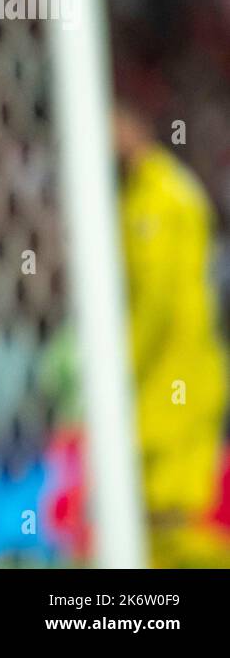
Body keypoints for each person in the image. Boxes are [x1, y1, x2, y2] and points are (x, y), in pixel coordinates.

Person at [114, 99, 230, 568]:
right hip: (156, 380)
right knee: (147, 517)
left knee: (171, 514)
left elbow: (159, 304)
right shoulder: (137, 195)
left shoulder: (163, 197)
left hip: (174, 379)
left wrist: (116, 364)